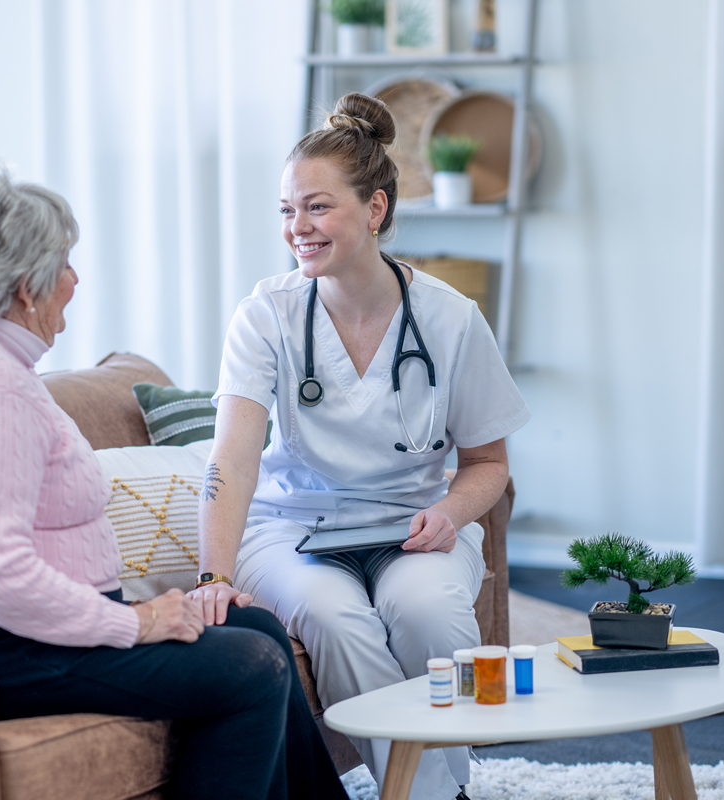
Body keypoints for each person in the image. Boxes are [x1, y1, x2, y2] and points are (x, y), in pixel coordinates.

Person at [0, 157, 344, 800]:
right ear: (26, 286)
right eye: (64, 264)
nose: (75, 279)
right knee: (248, 667)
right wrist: (137, 624)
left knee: (258, 628)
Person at [190, 93, 531, 800]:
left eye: (317, 207)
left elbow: (488, 463)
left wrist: (451, 515)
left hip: (411, 522)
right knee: (334, 616)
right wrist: (215, 578)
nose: (297, 228)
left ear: (375, 210)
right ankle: (438, 796)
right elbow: (233, 456)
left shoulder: (450, 318)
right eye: (287, 210)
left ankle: (430, 788)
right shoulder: (266, 315)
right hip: (291, 528)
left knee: (429, 612)